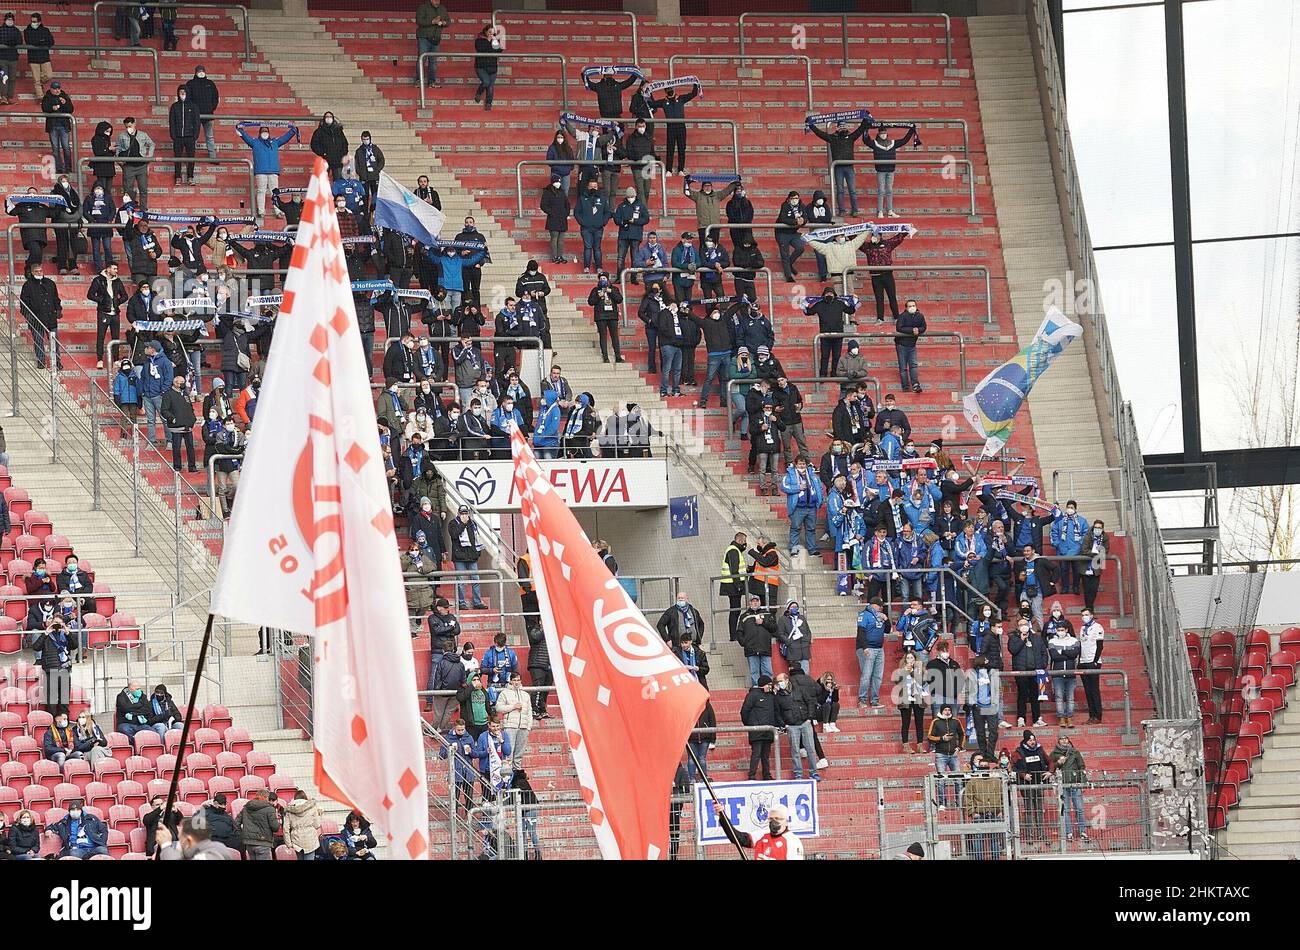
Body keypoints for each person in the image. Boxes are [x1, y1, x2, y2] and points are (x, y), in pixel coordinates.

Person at [810, 115, 871, 216]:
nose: (842, 128)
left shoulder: (851, 137)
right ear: (837, 128)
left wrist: (866, 117)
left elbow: (860, 129)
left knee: (852, 190)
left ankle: (855, 210)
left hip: (849, 167)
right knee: (840, 190)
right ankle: (842, 211)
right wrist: (811, 125)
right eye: (840, 127)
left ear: (846, 128)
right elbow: (820, 133)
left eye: (844, 126)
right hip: (838, 167)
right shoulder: (832, 138)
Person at [239, 122, 297, 225]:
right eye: (263, 131)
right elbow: (245, 137)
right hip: (260, 171)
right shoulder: (255, 142)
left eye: (266, 131)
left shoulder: (274, 142)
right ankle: (261, 211)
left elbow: (285, 138)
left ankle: (278, 211)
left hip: (273, 171)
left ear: (269, 132)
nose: (264, 133)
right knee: (261, 191)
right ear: (259, 132)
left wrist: (293, 130)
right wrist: (240, 129)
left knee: (275, 192)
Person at [713, 801, 805, 860]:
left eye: (777, 818)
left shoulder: (792, 842)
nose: (774, 822)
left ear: (786, 821)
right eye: (771, 819)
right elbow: (737, 838)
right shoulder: (763, 834)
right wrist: (722, 817)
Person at [864, 224, 916, 322]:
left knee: (892, 296)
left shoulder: (887, 244)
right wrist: (849, 231)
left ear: (880, 236)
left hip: (887, 275)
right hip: (875, 276)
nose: (874, 237)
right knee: (879, 299)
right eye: (872, 235)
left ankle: (896, 317)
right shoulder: (867, 247)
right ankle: (880, 318)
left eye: (876, 235)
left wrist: (907, 228)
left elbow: (898, 238)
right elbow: (856, 242)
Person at [774, 670, 819, 781]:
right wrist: (785, 725)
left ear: (787, 680)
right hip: (791, 726)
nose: (779, 683)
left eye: (781, 681)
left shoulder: (799, 689)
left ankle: (813, 773)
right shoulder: (778, 697)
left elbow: (810, 702)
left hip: (805, 722)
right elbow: (777, 713)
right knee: (795, 751)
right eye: (778, 681)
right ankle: (798, 774)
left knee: (811, 749)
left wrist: (809, 718)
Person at [647, 81, 698, 175]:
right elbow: (651, 104)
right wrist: (648, 92)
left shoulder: (681, 98)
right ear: (665, 91)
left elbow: (694, 93)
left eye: (671, 88)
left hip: (681, 127)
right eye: (668, 89)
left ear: (674, 89)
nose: (670, 90)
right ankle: (669, 170)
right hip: (671, 128)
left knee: (681, 149)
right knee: (670, 149)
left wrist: (694, 82)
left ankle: (681, 170)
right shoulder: (663, 102)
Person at [865, 124, 917, 217]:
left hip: (891, 170)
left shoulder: (892, 143)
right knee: (881, 190)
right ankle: (880, 211)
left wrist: (911, 130)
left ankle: (890, 211)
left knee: (889, 190)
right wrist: (865, 129)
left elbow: (904, 140)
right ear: (879, 134)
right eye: (882, 133)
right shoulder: (875, 143)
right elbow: (866, 140)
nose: (883, 135)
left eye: (885, 133)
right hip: (880, 171)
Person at [780, 454, 824, 558]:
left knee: (811, 529)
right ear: (796, 464)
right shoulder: (790, 474)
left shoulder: (812, 475)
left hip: (811, 507)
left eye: (803, 464)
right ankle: (794, 550)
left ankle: (812, 550)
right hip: (798, 507)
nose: (802, 465)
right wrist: (798, 487)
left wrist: (819, 499)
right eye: (800, 463)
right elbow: (784, 487)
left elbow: (819, 488)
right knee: (795, 528)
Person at [1012, 730, 1051, 842]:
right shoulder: (1018, 752)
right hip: (1026, 786)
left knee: (1039, 809)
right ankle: (1030, 835)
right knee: (1029, 810)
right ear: (1025, 741)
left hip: (1039, 784)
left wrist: (1050, 772)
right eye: (1030, 740)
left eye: (1033, 740)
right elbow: (1013, 767)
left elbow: (1050, 761)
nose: (1032, 742)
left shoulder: (1040, 749)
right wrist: (1023, 775)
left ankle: (1042, 834)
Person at [1009, 616, 1048, 727]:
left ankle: (1037, 719)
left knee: (1035, 695)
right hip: (1021, 672)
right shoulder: (1014, 638)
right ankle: (1021, 718)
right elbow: (1013, 650)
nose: (1024, 626)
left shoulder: (1037, 638)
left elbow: (1044, 653)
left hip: (1036, 672)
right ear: (1018, 627)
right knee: (1022, 695)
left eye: (1025, 624)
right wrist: (1022, 640)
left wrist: (1043, 665)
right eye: (1021, 625)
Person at [1045, 603, 1080, 727]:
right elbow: (1054, 656)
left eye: (1062, 630)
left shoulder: (1074, 640)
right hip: (1057, 673)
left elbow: (1075, 653)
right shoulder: (1052, 641)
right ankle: (1061, 718)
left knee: (1070, 697)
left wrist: (1063, 651)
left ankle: (1069, 717)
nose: (1060, 632)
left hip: (1070, 673)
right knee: (1059, 697)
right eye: (1058, 630)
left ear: (1066, 630)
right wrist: (1068, 653)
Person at [1051, 734, 1089, 843]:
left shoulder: (1075, 752)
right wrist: (1058, 762)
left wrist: (1082, 782)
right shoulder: (1054, 754)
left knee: (1080, 809)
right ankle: (1069, 832)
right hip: (1063, 785)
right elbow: (1050, 767)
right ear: (1058, 741)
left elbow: (1082, 766)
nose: (1064, 741)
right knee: (1065, 810)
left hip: (1075, 784)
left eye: (1065, 739)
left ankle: (1082, 831)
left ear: (1068, 740)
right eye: (1061, 739)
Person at [448, 504, 486, 609]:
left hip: (472, 556)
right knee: (460, 581)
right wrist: (462, 524)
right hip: (459, 557)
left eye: (466, 513)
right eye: (462, 513)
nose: (464, 515)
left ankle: (477, 602)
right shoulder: (453, 523)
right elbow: (454, 535)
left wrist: (477, 553)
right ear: (458, 514)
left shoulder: (472, 524)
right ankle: (461, 602)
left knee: (476, 580)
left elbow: (476, 539)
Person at [739, 675, 777, 780]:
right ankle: (752, 775)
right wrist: (750, 725)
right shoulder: (752, 695)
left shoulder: (772, 696)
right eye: (768, 685)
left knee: (766, 755)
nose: (770, 687)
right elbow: (744, 711)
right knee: (756, 753)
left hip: (768, 730)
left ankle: (767, 775)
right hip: (756, 731)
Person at [927, 703, 963, 808]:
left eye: (949, 710)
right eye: (945, 710)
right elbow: (929, 736)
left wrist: (959, 747)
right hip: (940, 754)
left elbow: (962, 734)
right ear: (942, 711)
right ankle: (942, 803)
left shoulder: (956, 721)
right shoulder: (936, 722)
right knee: (941, 780)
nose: (947, 712)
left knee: (958, 780)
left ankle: (959, 802)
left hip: (954, 754)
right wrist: (942, 738)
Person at [160, 373, 198, 473]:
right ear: (175, 383)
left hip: (187, 425)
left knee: (190, 446)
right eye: (181, 382)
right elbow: (164, 410)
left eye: (183, 382)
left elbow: (190, 407)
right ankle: (177, 466)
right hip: (176, 427)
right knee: (176, 448)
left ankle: (192, 466)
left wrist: (192, 418)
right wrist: (172, 418)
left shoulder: (185, 394)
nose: (183, 384)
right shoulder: (168, 394)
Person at [116, 116, 156, 208]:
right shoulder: (122, 136)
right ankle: (130, 207)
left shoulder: (142, 134)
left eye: (130, 126)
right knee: (127, 189)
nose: (128, 128)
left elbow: (152, 144)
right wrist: (119, 160)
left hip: (141, 165)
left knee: (143, 188)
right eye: (126, 127)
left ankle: (143, 209)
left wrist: (149, 157)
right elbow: (118, 148)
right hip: (128, 166)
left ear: (134, 124)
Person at [855, 597, 888, 707]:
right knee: (866, 675)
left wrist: (886, 619)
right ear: (874, 605)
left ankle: (874, 700)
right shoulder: (864, 615)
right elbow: (861, 632)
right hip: (868, 648)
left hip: (879, 648)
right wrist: (864, 647)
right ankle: (862, 700)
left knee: (878, 676)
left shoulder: (880, 616)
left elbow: (887, 630)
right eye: (880, 606)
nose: (881, 608)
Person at [893, 651, 928, 753]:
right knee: (906, 722)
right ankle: (906, 745)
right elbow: (897, 682)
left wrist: (913, 672)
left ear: (915, 659)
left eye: (912, 658)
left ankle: (920, 745)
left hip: (917, 697)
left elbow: (924, 681)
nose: (910, 660)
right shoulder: (901, 671)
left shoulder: (920, 670)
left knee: (919, 722)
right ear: (905, 660)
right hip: (906, 698)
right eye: (908, 658)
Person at [166, 85, 200, 185]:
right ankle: (178, 177)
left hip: (190, 137)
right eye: (181, 92)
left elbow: (197, 122)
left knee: (191, 157)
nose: (182, 94)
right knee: (177, 158)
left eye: (184, 92)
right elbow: (172, 122)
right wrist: (173, 136)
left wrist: (195, 136)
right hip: (178, 137)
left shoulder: (193, 106)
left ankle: (190, 177)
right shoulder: (174, 106)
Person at [1077, 608, 1106, 723]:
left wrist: (1095, 661)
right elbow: (1081, 645)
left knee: (1094, 689)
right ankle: (1091, 715)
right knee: (1087, 690)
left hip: (1093, 662)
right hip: (1083, 661)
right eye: (1082, 615)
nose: (1084, 616)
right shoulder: (1082, 628)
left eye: (1086, 614)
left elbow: (1100, 645)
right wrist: (1079, 661)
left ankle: (1098, 715)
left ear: (1092, 615)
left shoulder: (1098, 627)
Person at [236, 788, 280, 860]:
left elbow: (236, 823)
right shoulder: (270, 809)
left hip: (249, 843)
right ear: (266, 797)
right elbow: (275, 827)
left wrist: (242, 835)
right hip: (264, 842)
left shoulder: (246, 807)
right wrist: (279, 823)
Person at [773, 191, 808, 282]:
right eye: (792, 198)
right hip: (782, 233)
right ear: (789, 199)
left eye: (796, 198)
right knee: (785, 254)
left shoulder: (802, 206)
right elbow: (783, 218)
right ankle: (788, 276)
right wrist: (795, 222)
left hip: (793, 233)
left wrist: (802, 221)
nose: (794, 200)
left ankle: (789, 264)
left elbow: (805, 218)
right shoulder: (784, 205)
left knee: (800, 248)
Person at [415, 0, 451, 87]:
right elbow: (419, 21)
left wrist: (443, 22)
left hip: (436, 38)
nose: (437, 2)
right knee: (422, 59)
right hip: (424, 37)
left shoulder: (442, 8)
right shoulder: (423, 7)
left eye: (438, 0)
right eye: (435, 0)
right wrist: (432, 22)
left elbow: (448, 21)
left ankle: (432, 82)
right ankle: (419, 81)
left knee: (433, 62)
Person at [894, 299, 927, 393]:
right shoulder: (902, 316)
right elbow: (899, 328)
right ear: (906, 308)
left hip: (912, 345)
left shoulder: (920, 316)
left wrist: (918, 330)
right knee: (903, 367)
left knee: (913, 365)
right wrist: (912, 330)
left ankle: (915, 385)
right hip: (901, 345)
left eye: (913, 305)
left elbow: (924, 327)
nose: (912, 307)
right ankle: (905, 387)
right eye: (910, 306)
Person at [281, 789, 323, 860]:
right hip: (310, 838)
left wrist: (288, 843)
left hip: (296, 839)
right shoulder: (312, 808)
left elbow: (285, 828)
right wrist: (319, 815)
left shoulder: (289, 810)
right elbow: (317, 825)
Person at [776, 600, 814, 677]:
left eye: (796, 607)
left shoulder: (802, 618)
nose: (795, 608)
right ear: (788, 608)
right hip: (792, 651)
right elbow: (780, 634)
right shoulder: (782, 619)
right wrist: (790, 642)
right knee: (795, 674)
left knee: (806, 673)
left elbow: (808, 632)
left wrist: (806, 641)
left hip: (804, 650)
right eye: (792, 607)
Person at [23, 12, 53, 99]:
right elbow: (29, 41)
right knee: (36, 80)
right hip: (33, 58)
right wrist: (41, 41)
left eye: (35, 21)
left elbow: (51, 41)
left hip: (44, 57)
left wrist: (40, 42)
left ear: (39, 22)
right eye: (32, 21)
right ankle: (40, 97)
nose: (33, 23)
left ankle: (40, 84)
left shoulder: (46, 30)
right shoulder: (27, 30)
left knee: (49, 75)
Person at [1080, 519, 1108, 611]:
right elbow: (1084, 550)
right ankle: (1089, 608)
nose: (1097, 529)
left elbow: (1105, 550)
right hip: (1086, 567)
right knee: (1087, 589)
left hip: (1097, 567)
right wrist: (1095, 553)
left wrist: (1096, 553)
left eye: (1099, 528)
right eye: (1096, 527)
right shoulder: (1088, 536)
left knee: (1094, 589)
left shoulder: (1105, 537)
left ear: (1102, 529)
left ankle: (1090, 607)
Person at [310, 111, 348, 179]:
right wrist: (323, 153)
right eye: (327, 117)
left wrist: (342, 154)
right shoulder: (319, 131)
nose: (329, 118)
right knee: (323, 180)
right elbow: (314, 144)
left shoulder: (338, 130)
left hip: (337, 160)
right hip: (325, 159)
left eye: (330, 117)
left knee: (338, 181)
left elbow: (344, 143)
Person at [472, 24, 502, 111]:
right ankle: (479, 93)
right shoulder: (479, 40)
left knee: (490, 86)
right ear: (485, 32)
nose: (491, 34)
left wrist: (495, 41)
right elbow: (480, 49)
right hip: (481, 66)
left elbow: (499, 50)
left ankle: (488, 103)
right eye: (489, 32)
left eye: (492, 32)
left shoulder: (495, 40)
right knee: (486, 82)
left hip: (492, 67)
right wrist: (488, 41)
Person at [686, 698, 715, 783]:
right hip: (691, 738)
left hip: (704, 737)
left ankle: (703, 779)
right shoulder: (687, 705)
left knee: (701, 758)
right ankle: (692, 779)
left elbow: (712, 720)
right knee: (692, 759)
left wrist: (713, 739)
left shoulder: (707, 705)